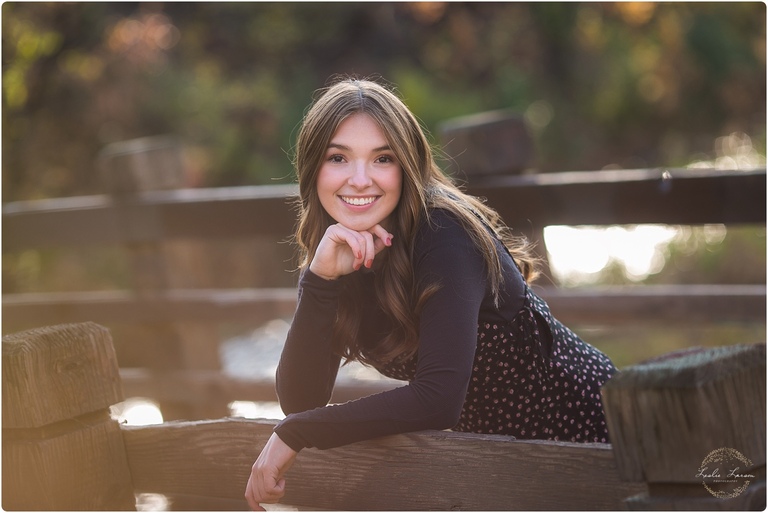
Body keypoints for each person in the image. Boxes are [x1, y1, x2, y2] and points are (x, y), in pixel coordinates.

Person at [244, 77, 617, 510]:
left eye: (382, 158)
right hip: (499, 467)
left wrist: (299, 433)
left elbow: (438, 400)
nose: (360, 180)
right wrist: (320, 281)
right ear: (313, 169)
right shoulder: (337, 249)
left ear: (406, 166)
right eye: (338, 157)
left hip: (589, 440)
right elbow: (301, 400)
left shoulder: (444, 235)